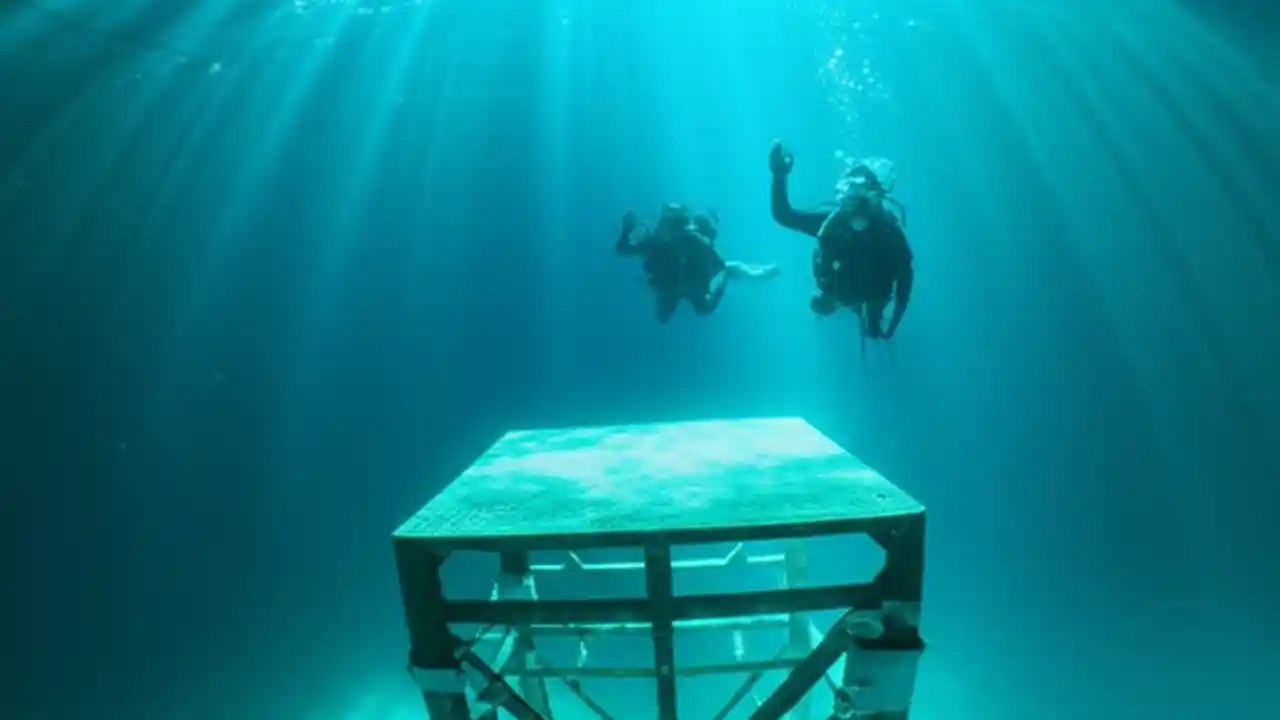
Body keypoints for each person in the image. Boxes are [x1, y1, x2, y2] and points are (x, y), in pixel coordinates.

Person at [768, 140, 914, 340]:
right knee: (830, 309)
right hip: (848, 290)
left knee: (871, 329)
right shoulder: (881, 231)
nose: (859, 211)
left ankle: (860, 313)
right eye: (853, 201)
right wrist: (779, 174)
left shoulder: (887, 232)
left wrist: (779, 174)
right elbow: (783, 215)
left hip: (864, 291)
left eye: (864, 202)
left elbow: (783, 215)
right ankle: (853, 310)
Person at [616, 203, 779, 323]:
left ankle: (754, 274)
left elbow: (721, 265)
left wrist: (747, 275)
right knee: (663, 317)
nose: (667, 227)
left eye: (674, 224)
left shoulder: (694, 243)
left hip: (692, 280)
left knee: (704, 308)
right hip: (670, 284)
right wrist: (626, 229)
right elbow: (623, 249)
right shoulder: (654, 240)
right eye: (666, 221)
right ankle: (751, 274)